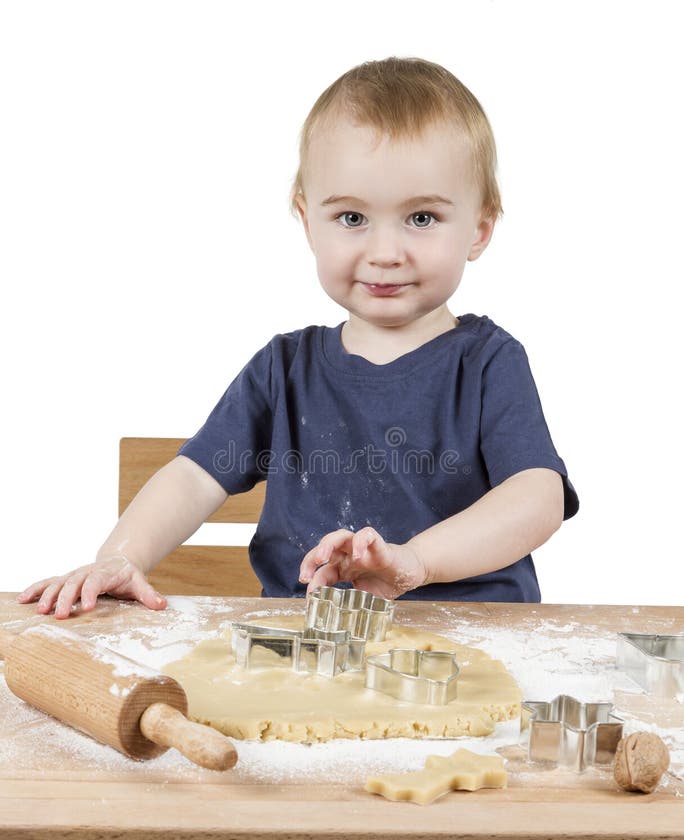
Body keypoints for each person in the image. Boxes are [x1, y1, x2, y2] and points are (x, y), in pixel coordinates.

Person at [18, 56, 579, 620]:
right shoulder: (284, 370)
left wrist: (416, 561)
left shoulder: (488, 364)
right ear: (308, 221)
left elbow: (537, 497)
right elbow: (193, 478)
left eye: (423, 218)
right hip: (301, 645)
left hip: (469, 645)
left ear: (479, 229)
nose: (385, 252)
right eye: (353, 219)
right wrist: (120, 556)